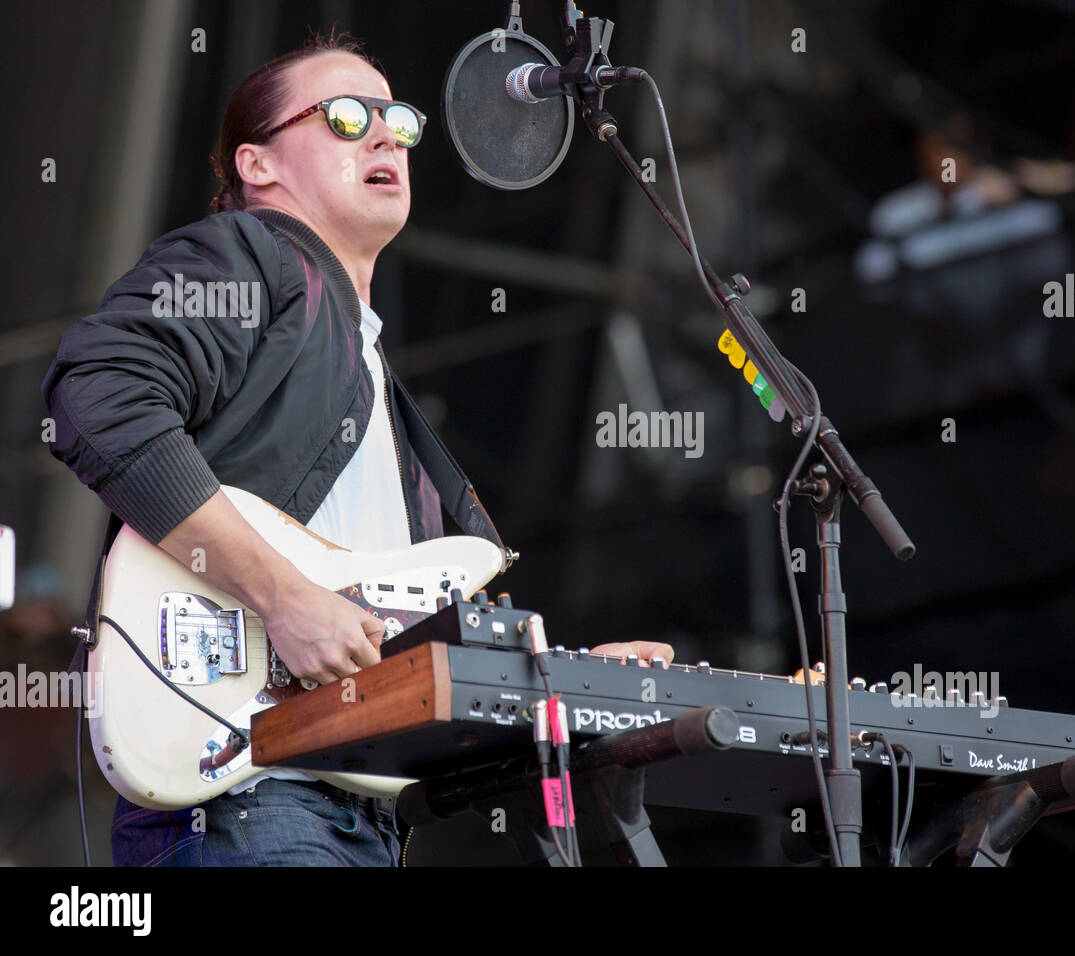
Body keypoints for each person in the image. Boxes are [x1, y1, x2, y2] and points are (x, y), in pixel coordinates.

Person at [41, 33, 672, 866]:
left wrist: (571, 679)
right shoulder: (247, 255)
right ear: (257, 166)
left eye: (398, 122)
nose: (385, 138)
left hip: (353, 815)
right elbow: (97, 394)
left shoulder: (369, 379)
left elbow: (394, 632)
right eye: (344, 117)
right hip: (250, 800)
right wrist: (282, 597)